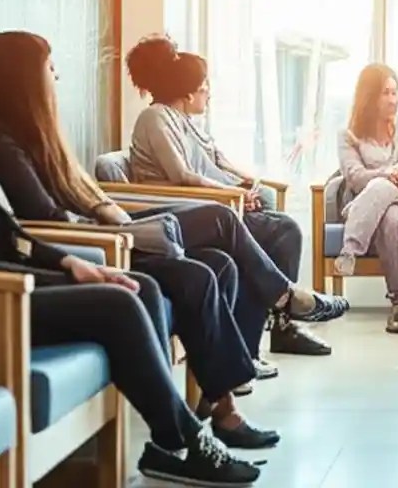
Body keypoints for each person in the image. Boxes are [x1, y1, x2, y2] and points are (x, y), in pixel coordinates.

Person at [0, 11, 261, 486]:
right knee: (121, 299)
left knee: (139, 286)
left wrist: (70, 263)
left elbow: (3, 232)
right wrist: (59, 268)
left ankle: (167, 442)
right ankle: (186, 440)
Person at [0, 33, 346, 445]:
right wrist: (107, 222)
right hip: (91, 242)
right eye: (47, 66)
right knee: (215, 232)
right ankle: (282, 306)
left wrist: (108, 209)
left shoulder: (36, 137)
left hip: (106, 228)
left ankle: (225, 407)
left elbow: (83, 194)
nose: (55, 74)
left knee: (219, 262)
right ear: (20, 78)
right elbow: (46, 219)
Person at [125, 34, 344, 357]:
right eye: (204, 85)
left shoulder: (185, 120)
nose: (208, 92)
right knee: (284, 232)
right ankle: (271, 326)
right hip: (183, 211)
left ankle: (273, 331)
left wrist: (247, 184)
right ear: (185, 88)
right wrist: (231, 194)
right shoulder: (156, 117)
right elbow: (181, 176)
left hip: (206, 205)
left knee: (276, 215)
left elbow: (217, 160)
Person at [334, 63, 398, 334]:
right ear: (369, 97)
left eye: (395, 92)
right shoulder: (348, 135)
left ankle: (350, 248)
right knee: (392, 220)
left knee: (381, 189)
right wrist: (386, 173)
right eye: (385, 93)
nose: (393, 100)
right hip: (379, 209)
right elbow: (355, 177)